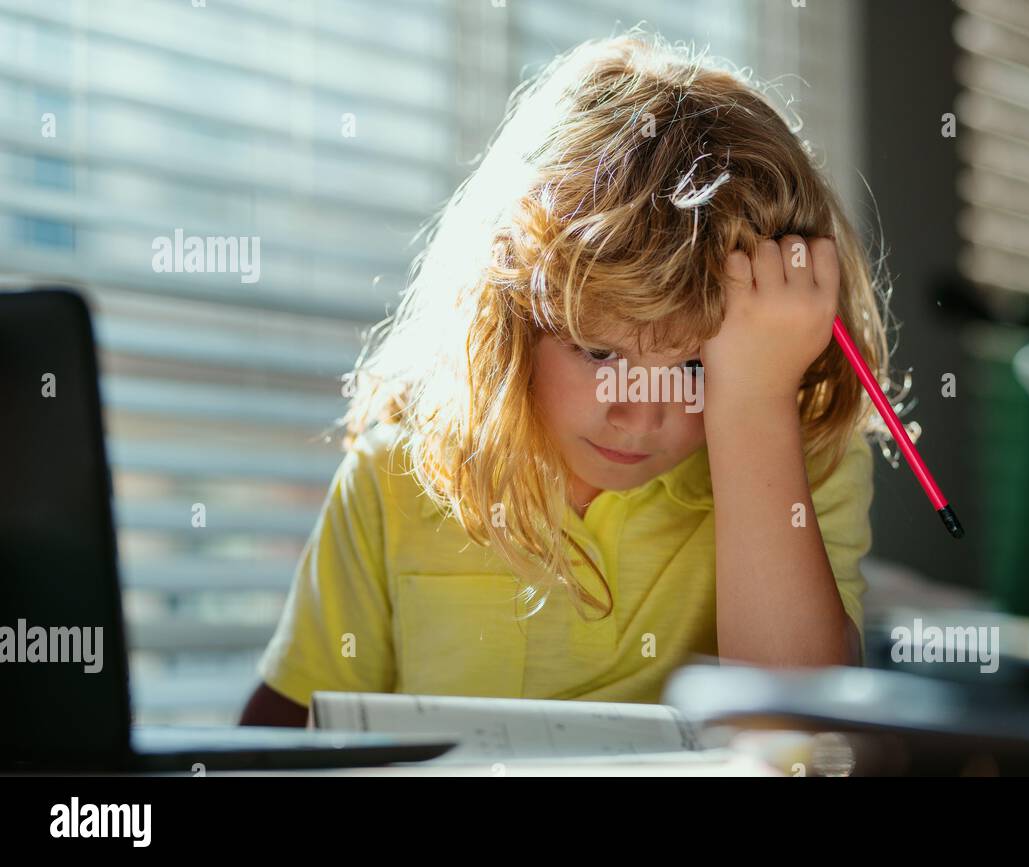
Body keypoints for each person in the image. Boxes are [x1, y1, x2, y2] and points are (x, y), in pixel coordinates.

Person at [240, 28, 894, 727]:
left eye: (697, 368)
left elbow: (794, 737)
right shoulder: (396, 476)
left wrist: (755, 405)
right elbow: (276, 733)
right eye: (601, 354)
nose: (640, 415)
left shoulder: (807, 457)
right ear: (512, 312)